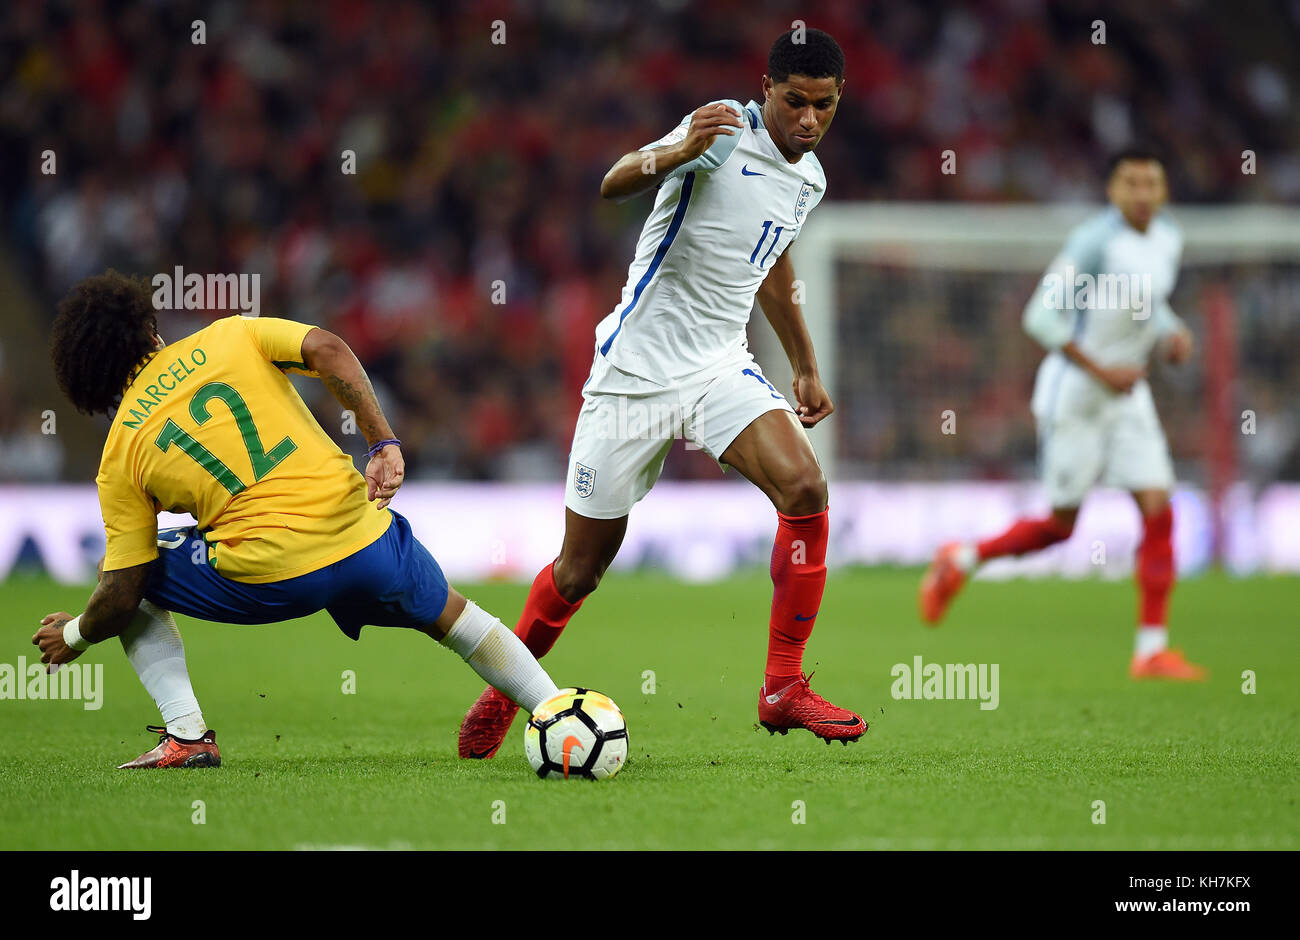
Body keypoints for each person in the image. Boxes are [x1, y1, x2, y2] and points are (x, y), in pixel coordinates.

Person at [459, 27, 866, 759]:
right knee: (580, 570)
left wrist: (803, 362)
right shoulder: (719, 128)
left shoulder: (809, 180)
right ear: (767, 90)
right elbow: (616, 179)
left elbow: (769, 261)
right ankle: (504, 690)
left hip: (717, 366)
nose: (809, 120)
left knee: (805, 487)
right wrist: (674, 152)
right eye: (796, 102)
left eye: (824, 106)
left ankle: (782, 688)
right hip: (635, 373)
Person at [32, 271, 562, 767]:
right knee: (454, 616)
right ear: (149, 329)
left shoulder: (121, 451)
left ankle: (187, 737)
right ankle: (558, 710)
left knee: (129, 568)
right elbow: (328, 348)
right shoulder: (230, 335)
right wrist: (382, 441)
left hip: (273, 577)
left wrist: (76, 634)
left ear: (87, 382)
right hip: (361, 535)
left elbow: (122, 590)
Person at [919, 149, 1206, 681]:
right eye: (1131, 183)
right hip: (1076, 393)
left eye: (1152, 183)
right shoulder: (1094, 243)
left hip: (1127, 394)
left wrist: (1172, 333)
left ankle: (1151, 650)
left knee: (1160, 507)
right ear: (1112, 190)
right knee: (1060, 526)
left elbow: (1149, 301)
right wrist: (1102, 370)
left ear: (1163, 191)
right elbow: (1041, 319)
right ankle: (961, 557)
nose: (1142, 194)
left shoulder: (1168, 237)